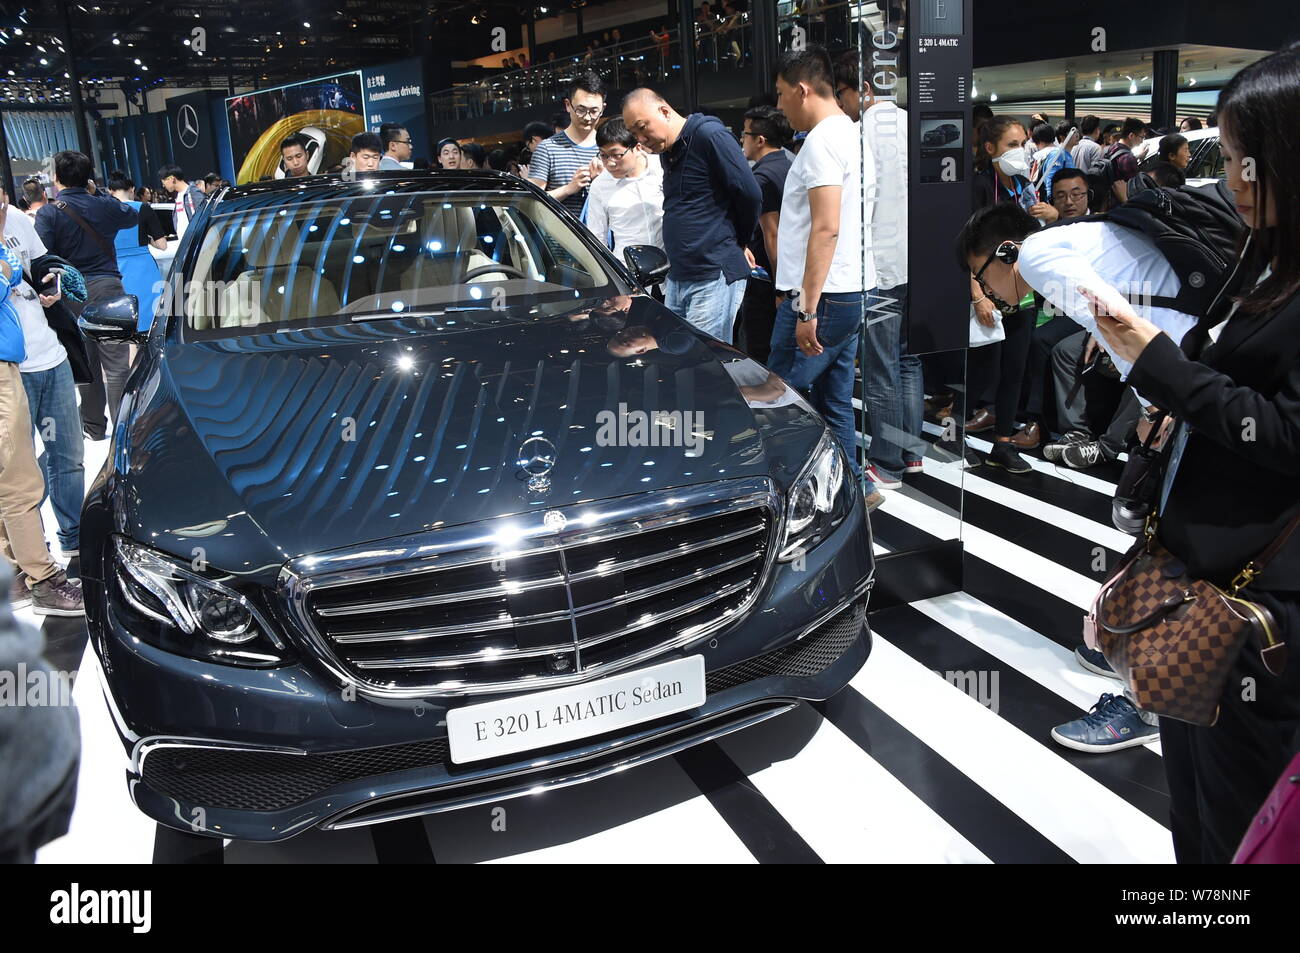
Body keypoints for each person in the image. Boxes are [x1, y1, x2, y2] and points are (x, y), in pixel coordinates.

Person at [1074, 47, 1300, 862]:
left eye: (1249, 157)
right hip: (1198, 575)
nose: (1233, 176)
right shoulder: (1266, 253)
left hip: (1256, 605)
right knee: (1198, 813)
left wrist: (1159, 366)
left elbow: (1286, 436)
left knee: (1245, 820)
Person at [766, 48, 879, 507]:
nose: (779, 106)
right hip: (850, 289)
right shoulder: (852, 135)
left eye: (780, 94)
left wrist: (806, 307)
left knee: (777, 399)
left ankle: (793, 500)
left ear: (802, 90)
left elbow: (826, 227)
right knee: (834, 398)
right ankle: (856, 485)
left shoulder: (821, 141)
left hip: (824, 296)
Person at [835, 49, 925, 485]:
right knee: (908, 361)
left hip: (879, 267)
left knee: (881, 368)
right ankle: (911, 454)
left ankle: (887, 460)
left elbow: (858, 209)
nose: (842, 103)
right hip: (919, 264)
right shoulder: (915, 125)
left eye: (844, 94)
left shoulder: (859, 134)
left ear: (864, 90)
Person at [622, 87, 761, 341]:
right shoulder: (668, 151)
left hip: (712, 273)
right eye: (634, 134)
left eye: (643, 127)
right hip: (679, 274)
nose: (641, 139)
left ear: (664, 111)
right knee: (681, 360)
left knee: (707, 362)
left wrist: (739, 241)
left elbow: (749, 194)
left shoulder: (710, 136)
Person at [1, 188, 85, 579]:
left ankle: (74, 535)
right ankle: (25, 562)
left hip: (50, 352)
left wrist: (50, 280)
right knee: (18, 475)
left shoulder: (17, 220)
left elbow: (39, 263)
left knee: (66, 455)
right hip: (11, 366)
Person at [965, 117, 1051, 473]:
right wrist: (976, 295)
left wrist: (1053, 214)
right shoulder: (978, 188)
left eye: (1023, 143)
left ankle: (1002, 443)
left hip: (1022, 291)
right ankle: (954, 435)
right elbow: (963, 246)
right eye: (1012, 145)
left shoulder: (1024, 187)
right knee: (982, 371)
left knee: (1015, 368)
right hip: (986, 292)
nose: (1021, 151)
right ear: (990, 149)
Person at [34, 151, 138, 442]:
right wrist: (99, 193)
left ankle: (93, 426)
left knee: (87, 363)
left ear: (56, 178)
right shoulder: (102, 205)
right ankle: (123, 428)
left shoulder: (49, 213)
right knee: (116, 364)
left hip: (72, 292)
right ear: (89, 176)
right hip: (108, 287)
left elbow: (43, 254)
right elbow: (130, 214)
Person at [735, 104, 792, 365]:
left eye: (744, 134)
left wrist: (780, 289)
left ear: (760, 139)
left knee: (761, 352)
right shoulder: (789, 162)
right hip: (792, 273)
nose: (741, 140)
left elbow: (772, 234)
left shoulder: (762, 177)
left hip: (769, 279)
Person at [528, 71, 606, 219]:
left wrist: (602, 183)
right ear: (568, 105)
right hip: (559, 241)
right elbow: (532, 201)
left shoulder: (609, 148)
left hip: (600, 240)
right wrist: (569, 189)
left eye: (594, 111)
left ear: (603, 108)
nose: (588, 117)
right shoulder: (547, 148)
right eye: (581, 110)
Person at [585, 118, 664, 261]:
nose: (610, 163)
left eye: (617, 155)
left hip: (672, 267)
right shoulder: (600, 185)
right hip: (628, 270)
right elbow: (597, 236)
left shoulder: (662, 169)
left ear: (638, 148)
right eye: (603, 155)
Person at [107, 172, 166, 331]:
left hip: (115, 269)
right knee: (151, 317)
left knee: (124, 319)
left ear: (110, 190)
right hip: (143, 268)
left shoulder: (104, 211)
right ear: (132, 189)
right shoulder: (143, 208)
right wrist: (146, 239)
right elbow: (162, 245)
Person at [1101, 116, 1144, 208]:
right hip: (1121, 205)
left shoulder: (1111, 148)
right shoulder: (1128, 158)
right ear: (1131, 136)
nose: (1142, 141)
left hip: (1107, 202)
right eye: (1141, 137)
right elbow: (1135, 189)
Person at [158, 163, 205, 242]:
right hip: (185, 244)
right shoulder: (179, 196)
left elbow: (204, 218)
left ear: (172, 178)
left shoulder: (193, 193)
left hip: (196, 243)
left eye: (164, 183)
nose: (163, 186)